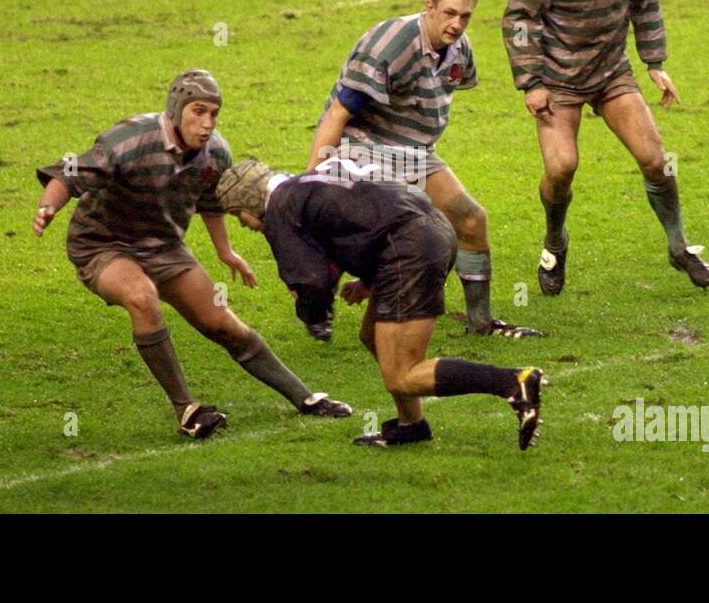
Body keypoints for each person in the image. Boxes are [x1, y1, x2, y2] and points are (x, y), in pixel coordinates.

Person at [33, 70, 352, 439]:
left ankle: (307, 398)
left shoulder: (215, 152)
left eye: (214, 114)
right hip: (102, 246)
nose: (206, 124)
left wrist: (226, 251)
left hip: (165, 248)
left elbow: (209, 200)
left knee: (223, 323)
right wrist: (47, 207)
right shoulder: (130, 139)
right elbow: (68, 173)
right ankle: (188, 410)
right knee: (142, 297)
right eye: (198, 111)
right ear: (176, 108)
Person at [217, 158, 545, 450]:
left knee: (402, 374)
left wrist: (314, 316)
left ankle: (512, 382)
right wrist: (370, 281)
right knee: (372, 336)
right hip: (431, 229)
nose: (244, 225)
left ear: (248, 199)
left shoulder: (278, 209)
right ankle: (411, 425)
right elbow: (363, 218)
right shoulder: (308, 183)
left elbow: (310, 279)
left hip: (408, 248)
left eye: (237, 215)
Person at [502, 0, 709, 297]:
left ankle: (679, 247)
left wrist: (655, 63)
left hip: (611, 74)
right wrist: (531, 82)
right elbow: (518, 19)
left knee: (656, 159)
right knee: (561, 168)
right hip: (559, 81)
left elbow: (646, 3)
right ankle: (555, 241)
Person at [306, 0, 541, 339]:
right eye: (449, 13)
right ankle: (322, 305)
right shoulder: (393, 44)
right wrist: (313, 178)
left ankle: (482, 324)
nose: (457, 23)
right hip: (363, 145)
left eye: (465, 16)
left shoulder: (460, 50)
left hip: (414, 152)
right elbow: (339, 111)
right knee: (401, 228)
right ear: (429, 8)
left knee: (471, 220)